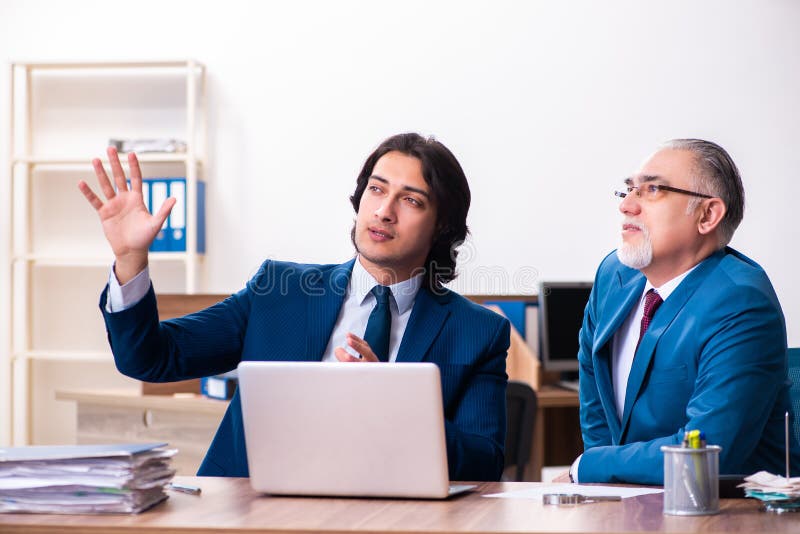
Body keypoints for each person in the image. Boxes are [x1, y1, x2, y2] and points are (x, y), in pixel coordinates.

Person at [77, 133, 509, 481]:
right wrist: (131, 259)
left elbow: (484, 461)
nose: (384, 211)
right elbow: (151, 358)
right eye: (376, 190)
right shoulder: (279, 290)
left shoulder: (476, 332)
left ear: (443, 226)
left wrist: (391, 406)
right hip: (252, 513)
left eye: (411, 200)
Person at [563, 138, 794, 484]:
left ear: (707, 215)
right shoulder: (614, 274)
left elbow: (705, 452)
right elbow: (594, 387)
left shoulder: (742, 302)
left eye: (652, 189)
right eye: (628, 190)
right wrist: (600, 486)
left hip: (724, 514)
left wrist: (588, 467)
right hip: (630, 505)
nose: (627, 205)